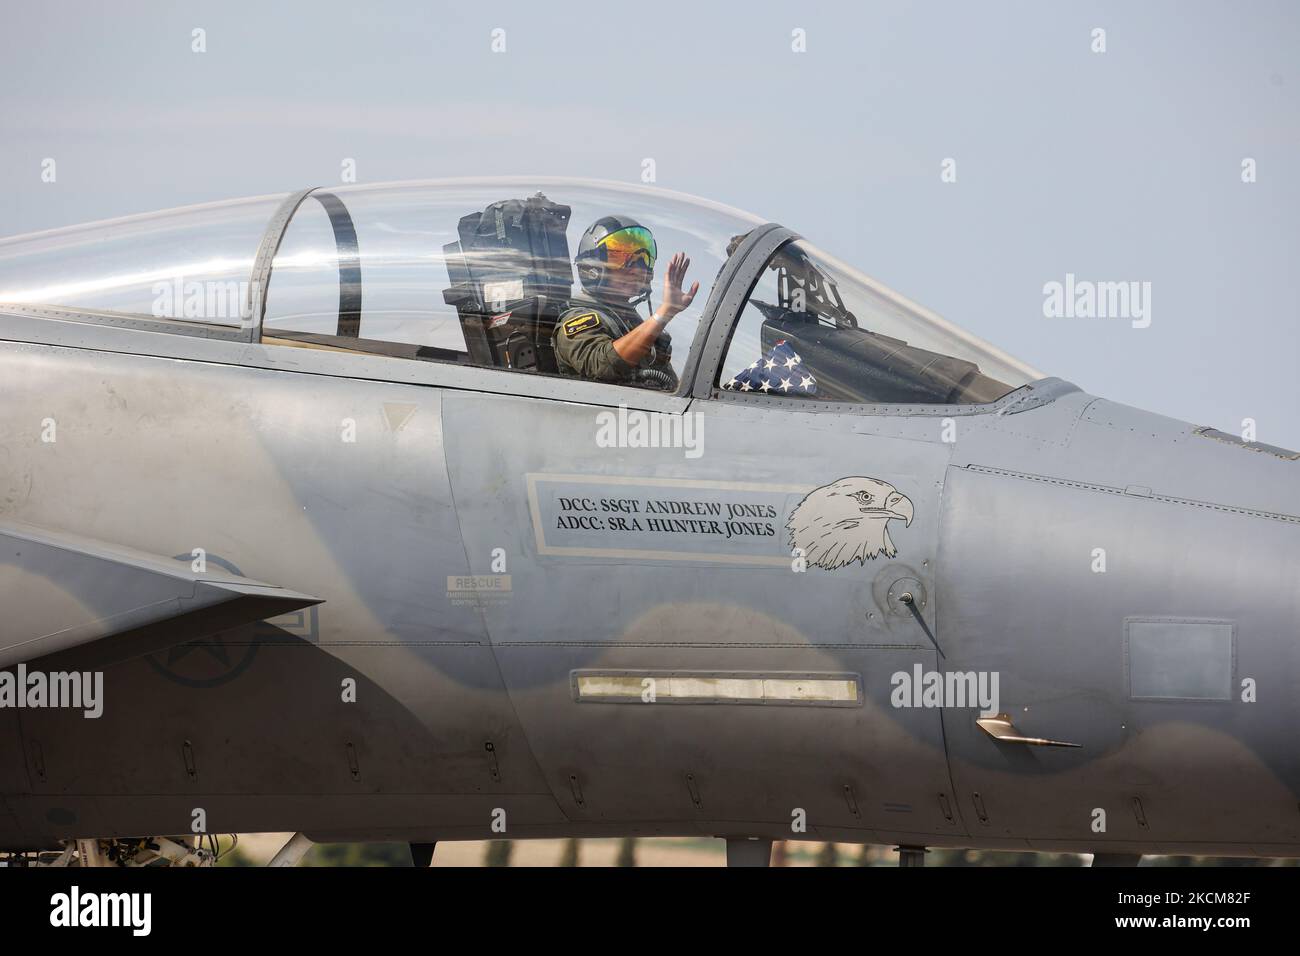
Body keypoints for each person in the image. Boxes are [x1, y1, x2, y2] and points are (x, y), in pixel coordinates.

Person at [552, 216, 698, 390]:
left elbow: (670, 387)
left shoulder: (631, 324)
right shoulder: (577, 319)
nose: (637, 269)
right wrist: (664, 313)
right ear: (592, 266)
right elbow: (602, 366)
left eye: (644, 259)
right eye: (619, 256)